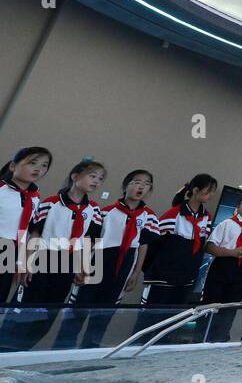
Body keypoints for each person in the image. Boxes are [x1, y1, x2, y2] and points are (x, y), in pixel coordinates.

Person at [22, 160, 107, 347]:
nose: (96, 182)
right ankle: (7, 350)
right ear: (75, 176)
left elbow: (89, 241)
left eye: (100, 179)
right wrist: (27, 263)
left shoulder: (94, 211)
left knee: (50, 312)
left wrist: (82, 266)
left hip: (68, 262)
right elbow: (34, 233)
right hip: (44, 258)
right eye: (92, 176)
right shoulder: (50, 203)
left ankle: (26, 352)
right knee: (27, 309)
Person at [78, 169, 158, 348]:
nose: (141, 187)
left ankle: (89, 350)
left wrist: (136, 273)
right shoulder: (105, 212)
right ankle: (64, 348)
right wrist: (82, 265)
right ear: (125, 186)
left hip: (125, 264)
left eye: (147, 185)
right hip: (98, 260)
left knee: (105, 312)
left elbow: (143, 245)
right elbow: (91, 241)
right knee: (80, 309)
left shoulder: (149, 217)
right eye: (137, 182)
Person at [140, 174, 215, 311]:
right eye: (208, 191)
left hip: (187, 278)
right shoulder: (174, 214)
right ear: (196, 190)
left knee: (173, 317)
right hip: (163, 278)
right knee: (150, 316)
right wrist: (150, 270)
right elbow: (153, 245)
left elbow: (201, 246)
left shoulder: (207, 217)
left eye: (213, 192)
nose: (211, 195)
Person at [201, 189, 242, 342]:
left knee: (231, 306)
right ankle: (202, 338)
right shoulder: (226, 224)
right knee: (211, 305)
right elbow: (209, 247)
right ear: (239, 204)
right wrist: (232, 252)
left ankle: (221, 339)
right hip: (223, 265)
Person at [0, 147, 50, 305]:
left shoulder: (35, 197)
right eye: (32, 163)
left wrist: (23, 262)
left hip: (11, 251)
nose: (38, 168)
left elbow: (29, 231)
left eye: (44, 165)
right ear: (13, 166)